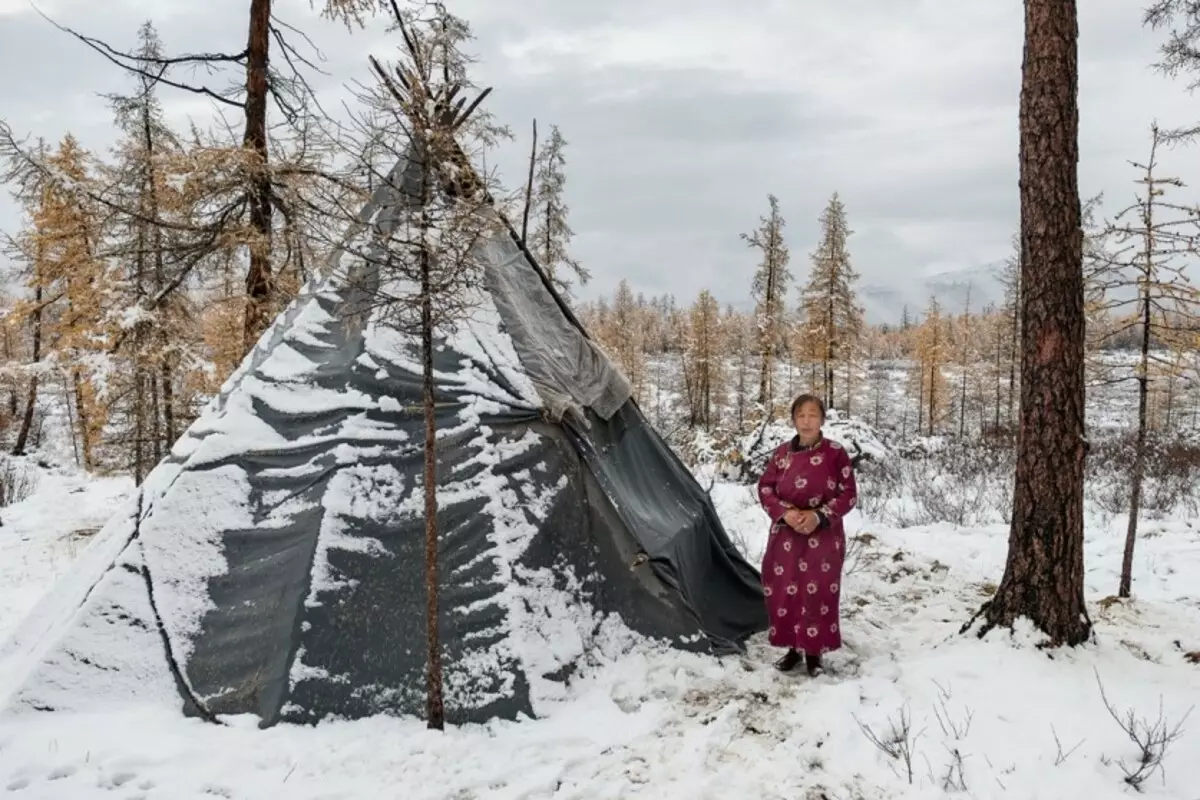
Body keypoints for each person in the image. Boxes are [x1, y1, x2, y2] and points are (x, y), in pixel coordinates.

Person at [755, 393, 858, 675]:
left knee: (818, 592)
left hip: (822, 536)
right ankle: (792, 648)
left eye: (812, 415)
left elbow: (849, 493)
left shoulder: (836, 453)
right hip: (786, 535)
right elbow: (765, 488)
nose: (806, 421)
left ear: (822, 419)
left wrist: (819, 516)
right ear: (793, 420)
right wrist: (786, 513)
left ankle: (814, 654)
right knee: (786, 591)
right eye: (801, 415)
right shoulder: (781, 454)